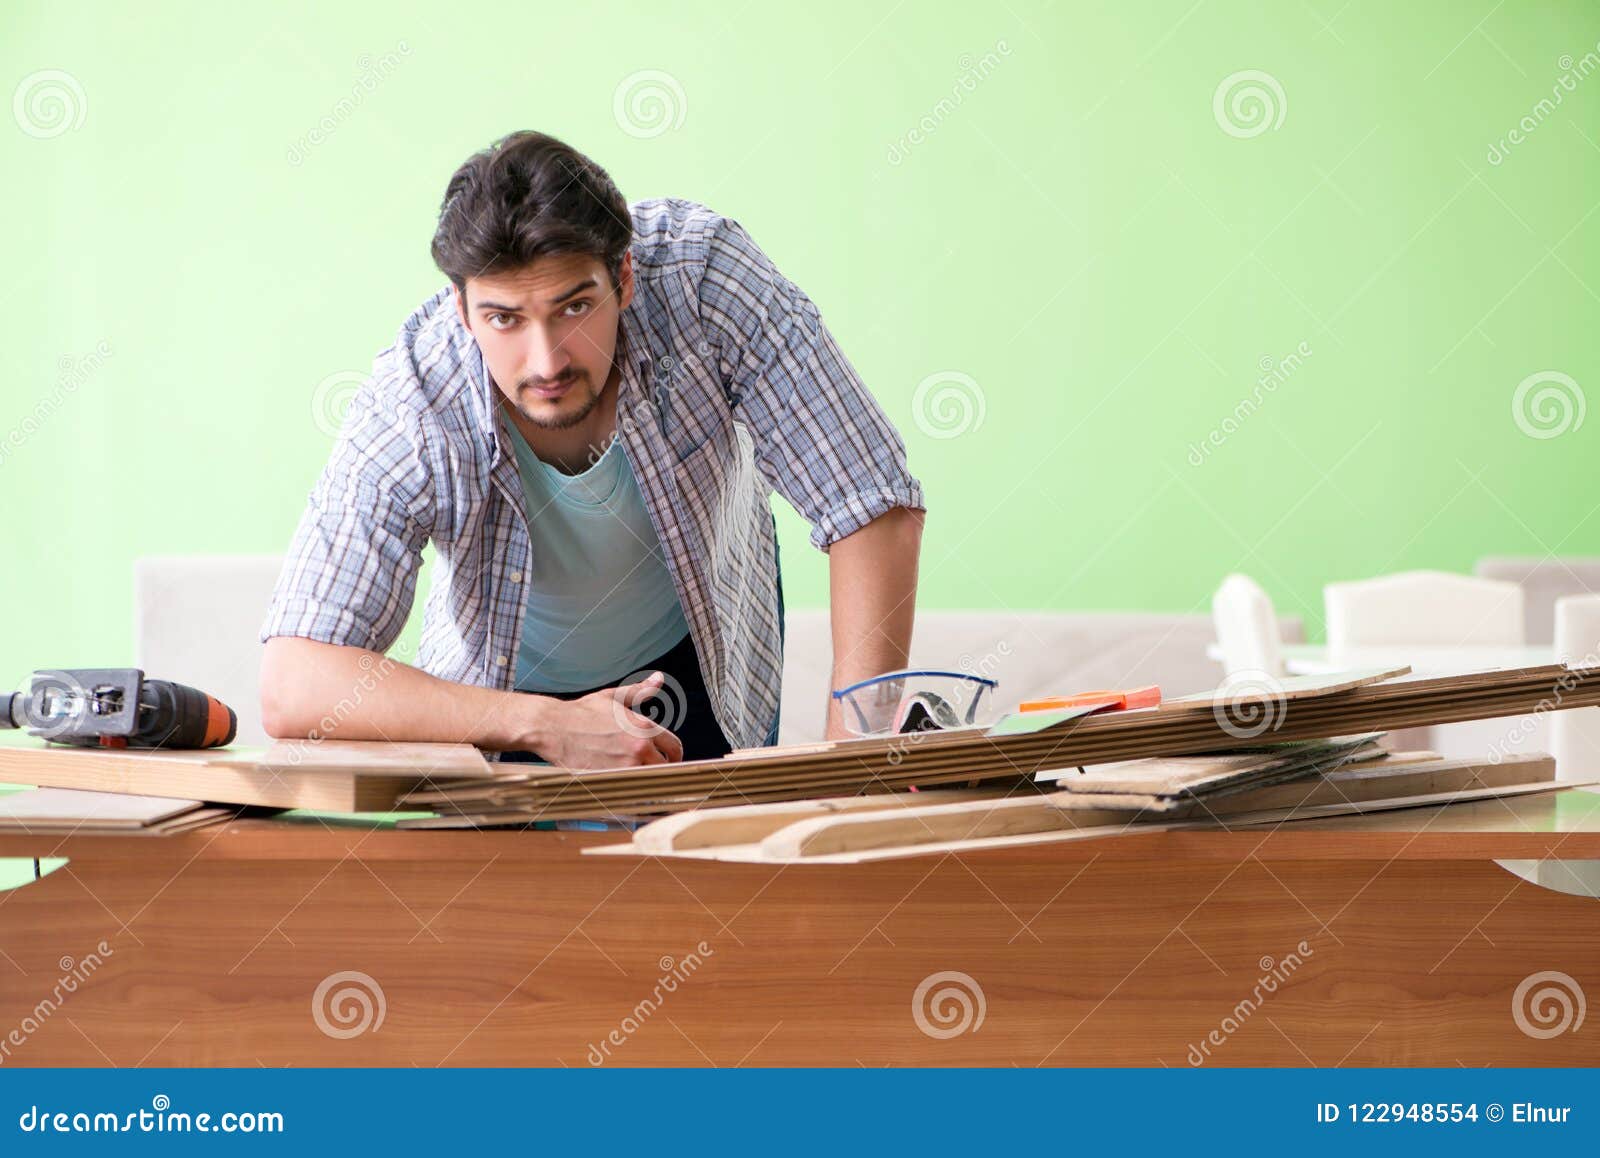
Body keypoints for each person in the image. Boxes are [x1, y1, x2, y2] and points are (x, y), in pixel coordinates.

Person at [259, 130, 925, 768]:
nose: (545, 360)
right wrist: (548, 722)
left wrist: (855, 772)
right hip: (502, 697)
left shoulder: (703, 280)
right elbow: (293, 685)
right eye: (505, 319)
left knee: (704, 881)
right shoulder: (414, 400)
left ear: (624, 278)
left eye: (574, 307)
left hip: (704, 657)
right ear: (462, 312)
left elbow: (869, 503)